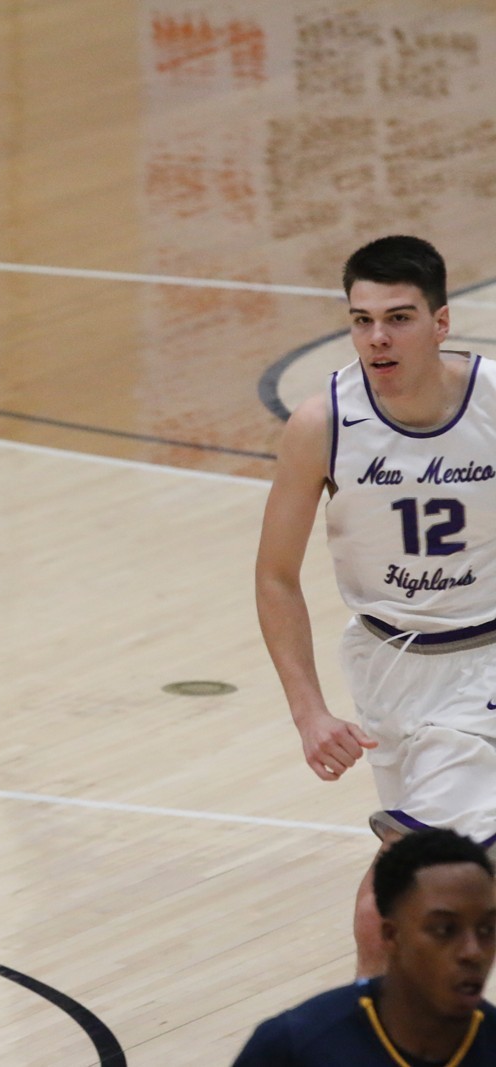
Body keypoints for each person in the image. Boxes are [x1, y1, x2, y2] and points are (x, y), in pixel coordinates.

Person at [256, 234, 496, 978]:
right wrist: (309, 711)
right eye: (361, 319)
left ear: (442, 321)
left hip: (484, 666)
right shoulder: (322, 425)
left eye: (398, 316)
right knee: (445, 909)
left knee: (385, 909)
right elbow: (275, 576)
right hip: (386, 668)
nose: (378, 337)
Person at [232, 828, 496, 1065]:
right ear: (391, 936)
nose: (472, 951)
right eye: (444, 930)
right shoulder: (295, 1046)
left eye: (487, 930)